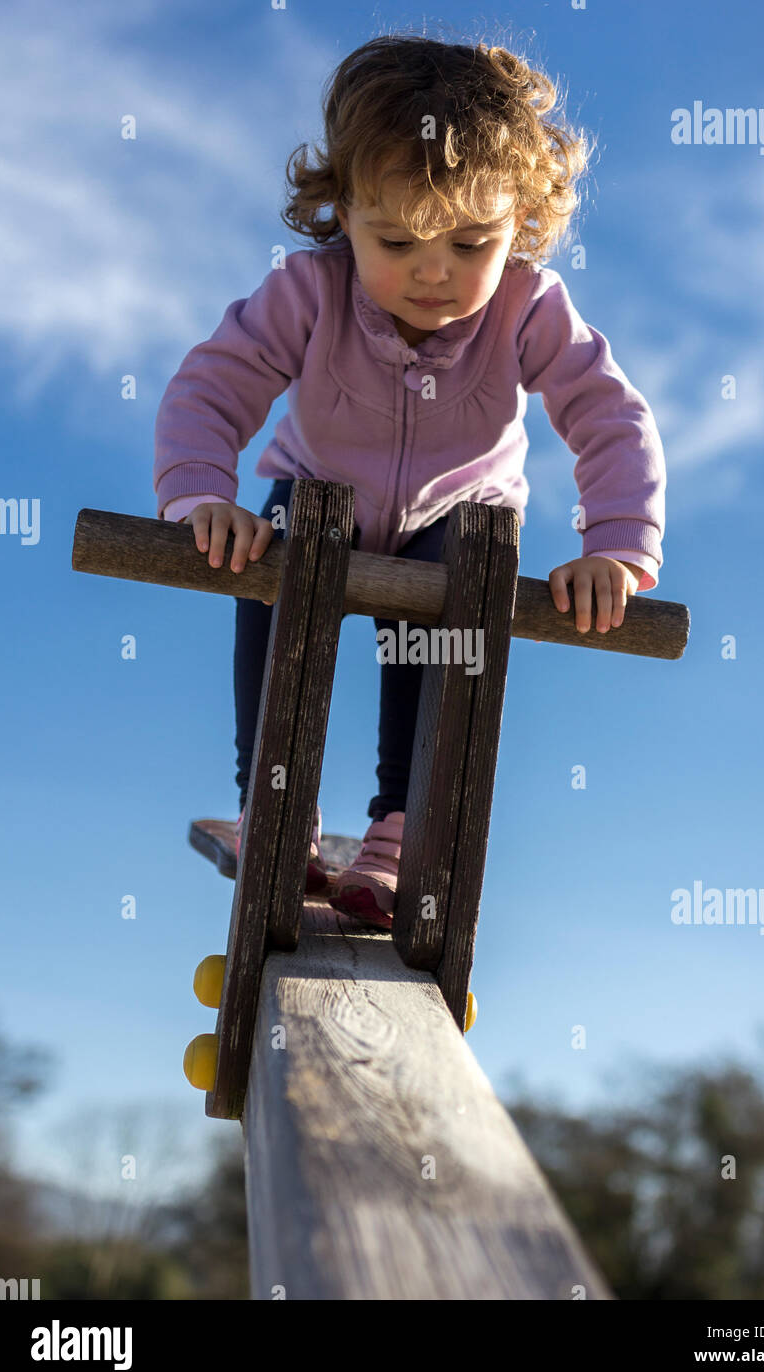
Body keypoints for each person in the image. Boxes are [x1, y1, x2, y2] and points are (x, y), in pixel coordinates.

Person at [153, 34, 667, 928]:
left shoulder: (526, 306)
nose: (435, 272)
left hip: (461, 515)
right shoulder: (309, 294)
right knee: (271, 582)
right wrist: (202, 497)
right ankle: (275, 805)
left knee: (439, 640)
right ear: (343, 213)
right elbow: (214, 384)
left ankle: (399, 830)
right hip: (316, 496)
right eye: (396, 240)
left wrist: (614, 548)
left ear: (520, 225)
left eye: (473, 242)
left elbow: (607, 413)